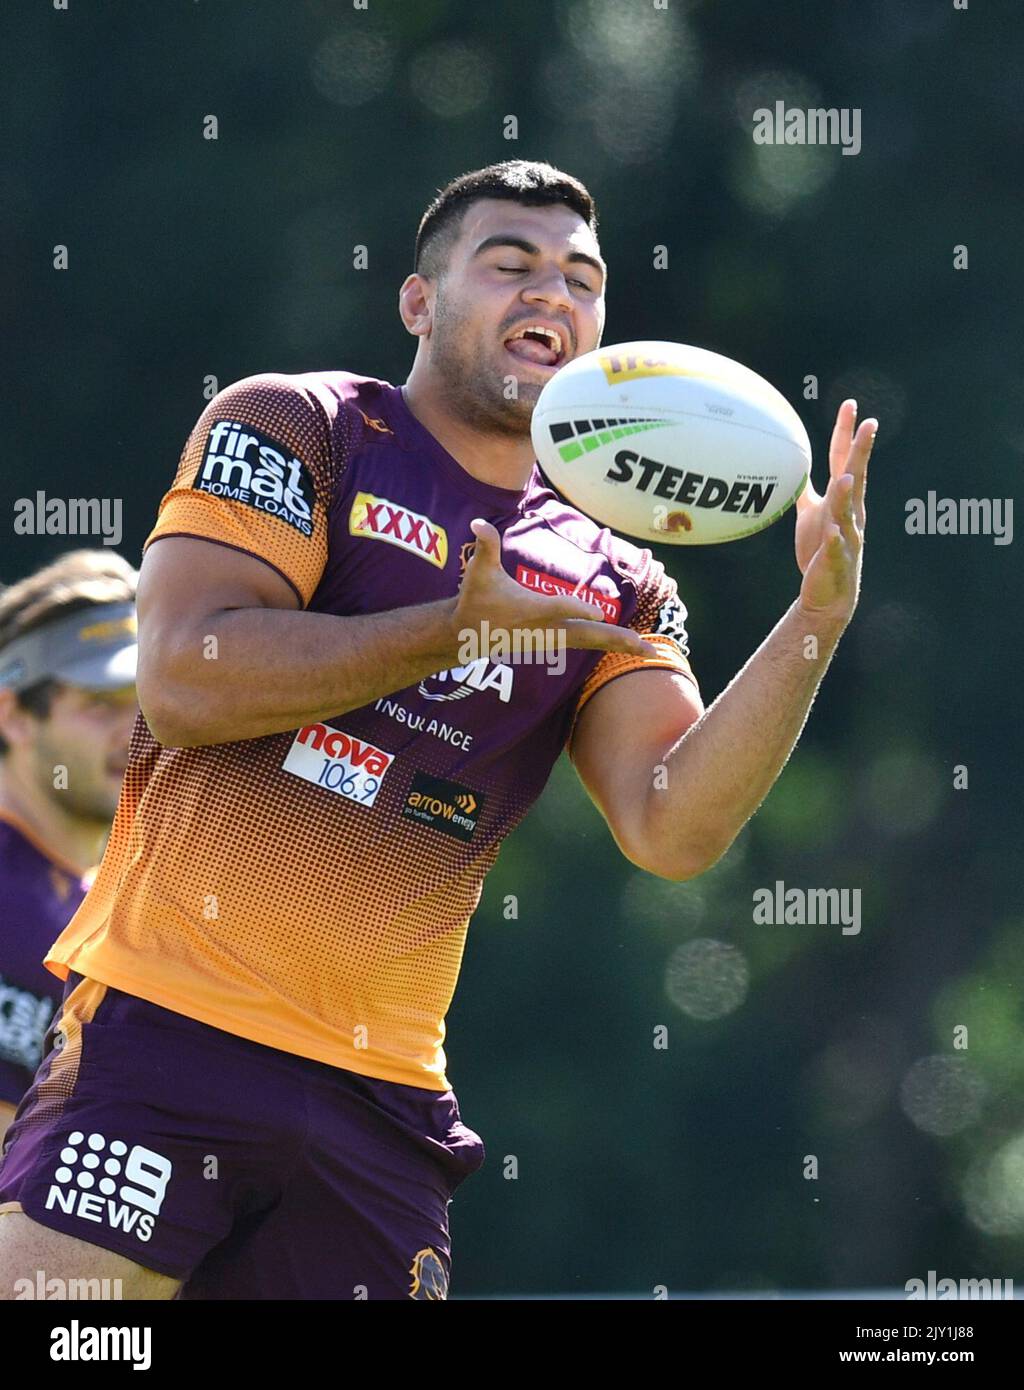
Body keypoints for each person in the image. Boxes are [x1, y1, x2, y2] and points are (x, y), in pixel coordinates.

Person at [0, 160, 875, 1300]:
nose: (549, 295)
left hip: (382, 1101)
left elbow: (670, 823)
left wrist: (815, 619)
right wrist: (444, 634)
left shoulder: (617, 575)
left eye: (581, 279)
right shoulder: (298, 424)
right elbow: (184, 677)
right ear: (418, 302)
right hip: (168, 1037)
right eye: (508, 266)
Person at [0, 551, 138, 1144]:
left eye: (146, 700)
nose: (135, 730)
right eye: (101, 704)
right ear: (15, 715)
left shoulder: (99, 911)